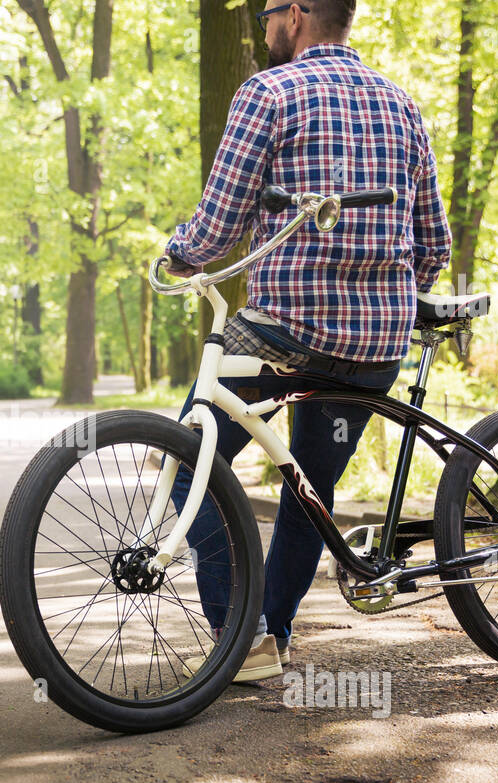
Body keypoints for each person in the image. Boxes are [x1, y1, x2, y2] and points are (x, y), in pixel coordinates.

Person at [167, 0, 452, 681]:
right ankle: (270, 636)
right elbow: (434, 244)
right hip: (375, 346)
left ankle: (245, 633)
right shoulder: (402, 106)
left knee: (189, 466)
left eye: (265, 13)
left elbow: (219, 225)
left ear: (295, 15)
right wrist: (377, 295)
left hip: (283, 333)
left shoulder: (267, 92)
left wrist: (179, 256)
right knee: (310, 491)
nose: (261, 28)